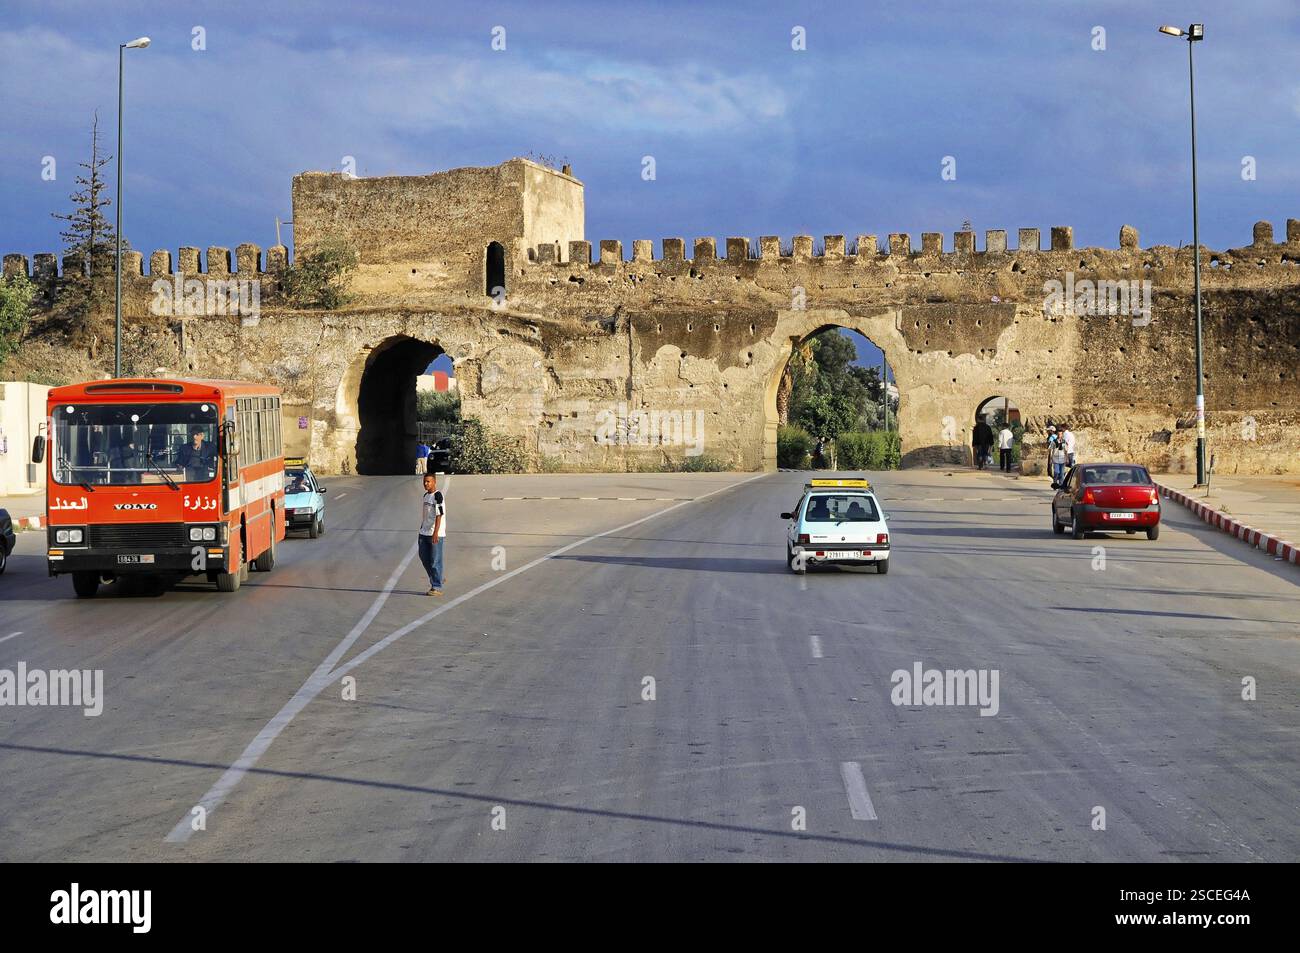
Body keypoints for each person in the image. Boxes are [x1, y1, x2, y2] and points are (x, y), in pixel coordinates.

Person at [417, 472, 446, 596]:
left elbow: (439, 515)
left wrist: (435, 533)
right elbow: (426, 514)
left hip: (435, 533)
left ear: (434, 482)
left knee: (435, 560)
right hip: (424, 532)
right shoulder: (425, 496)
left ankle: (436, 586)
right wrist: (422, 528)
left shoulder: (438, 496)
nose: (426, 484)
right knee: (424, 558)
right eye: (424, 481)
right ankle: (437, 577)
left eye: (428, 481)